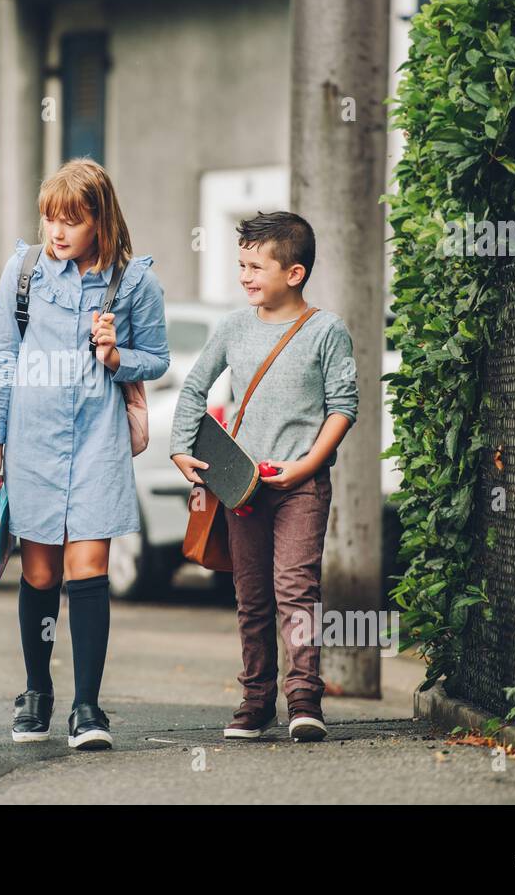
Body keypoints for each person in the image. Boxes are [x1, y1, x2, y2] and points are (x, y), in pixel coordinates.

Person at [0, 158, 170, 750]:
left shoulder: (134, 282)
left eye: (72, 220)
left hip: (96, 441)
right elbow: (0, 361)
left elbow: (157, 358)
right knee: (40, 571)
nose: (57, 232)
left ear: (100, 220)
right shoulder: (25, 271)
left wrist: (119, 358)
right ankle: (37, 692)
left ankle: (87, 708)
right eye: (50, 218)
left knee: (88, 568)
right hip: (32, 441)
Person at [169, 211, 357, 742]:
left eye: (256, 267)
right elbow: (193, 390)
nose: (245, 276)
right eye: (241, 266)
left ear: (293, 274)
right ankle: (256, 701)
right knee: (251, 595)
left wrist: (307, 465)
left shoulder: (327, 330)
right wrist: (182, 447)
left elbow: (344, 407)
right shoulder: (232, 326)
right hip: (243, 487)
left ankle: (304, 700)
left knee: (296, 588)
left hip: (301, 485)